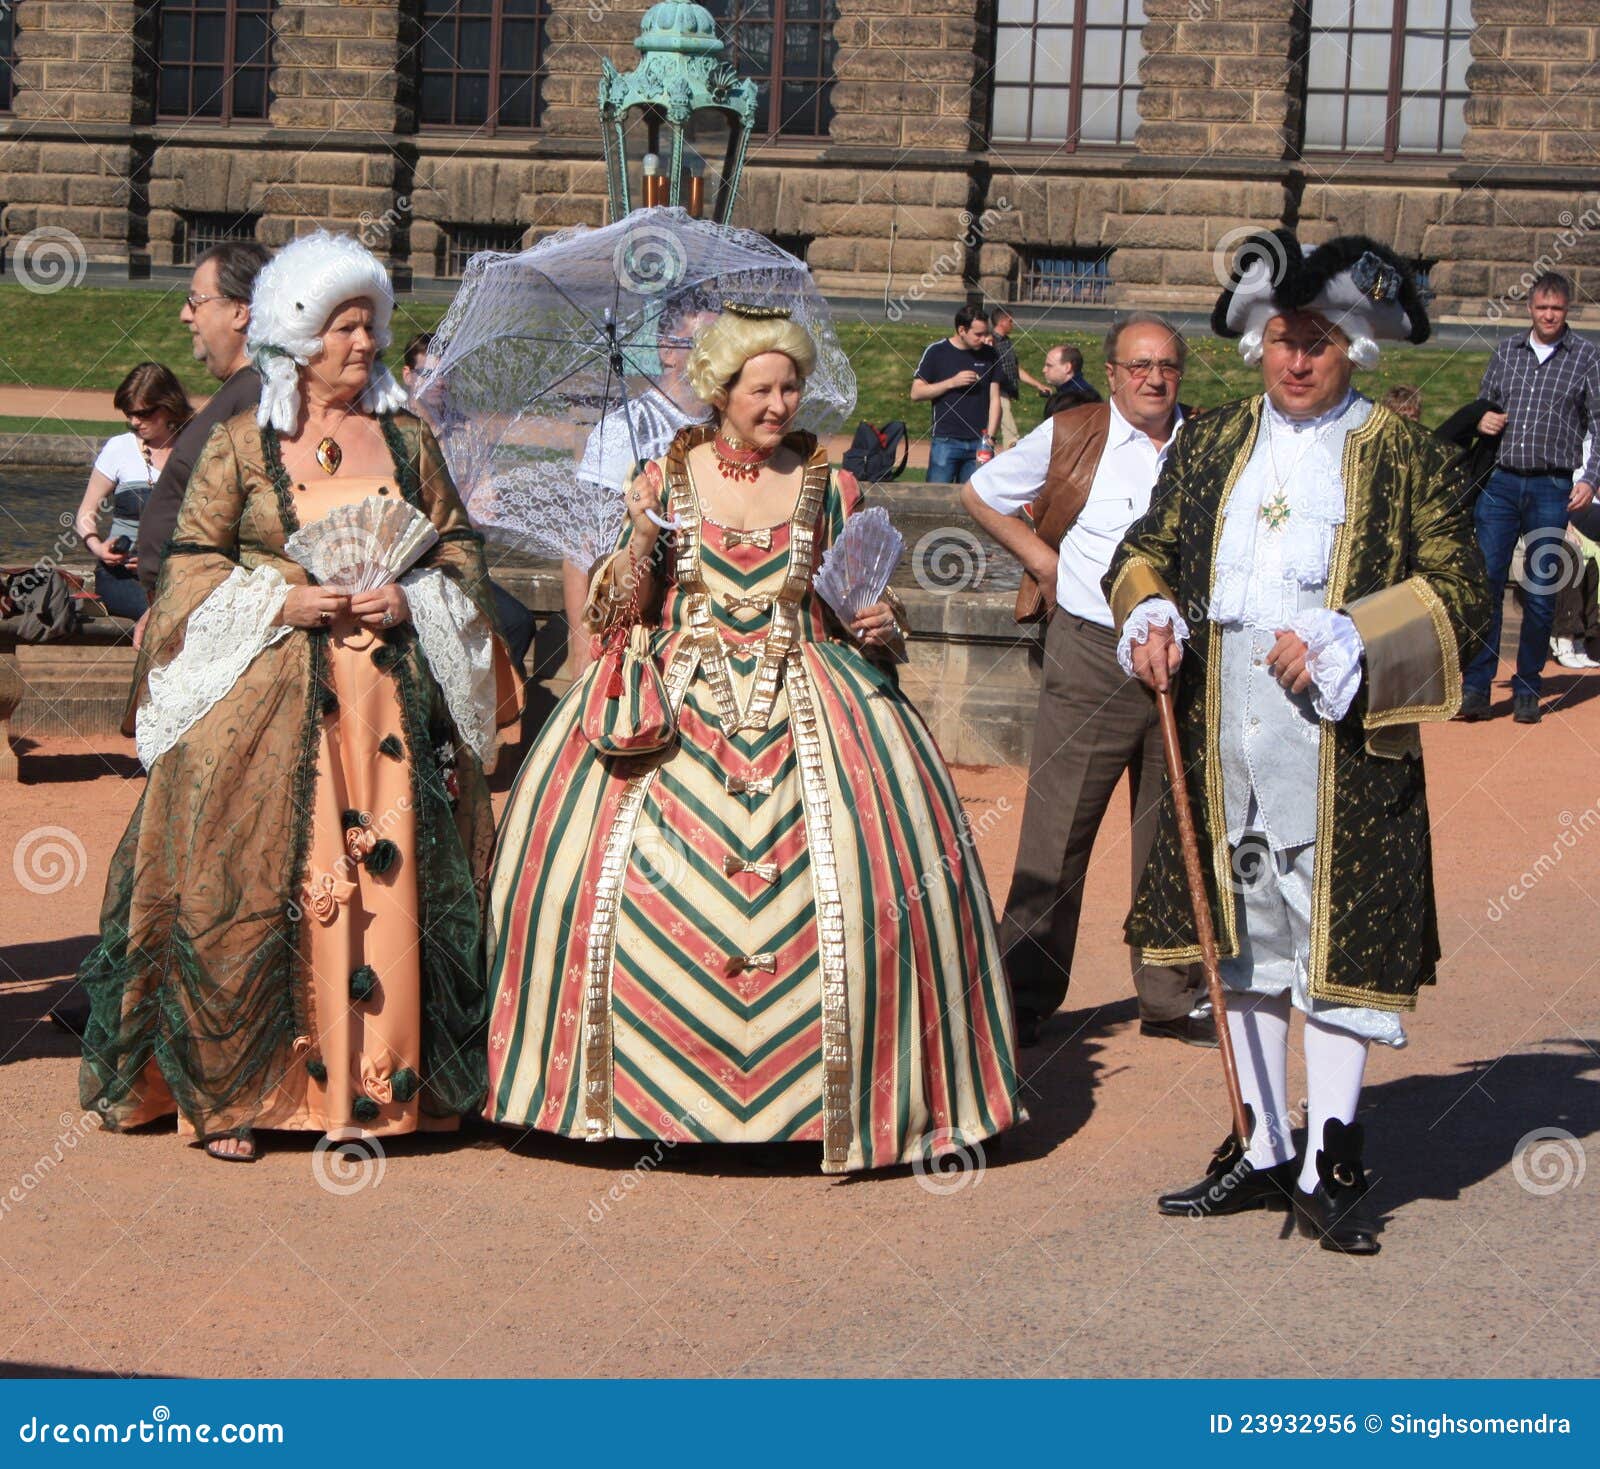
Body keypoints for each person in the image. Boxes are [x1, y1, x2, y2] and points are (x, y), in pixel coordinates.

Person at [484, 304, 1023, 1172]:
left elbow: (858, 603)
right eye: (760, 389)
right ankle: (623, 1095)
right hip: (675, 715)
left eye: (790, 387)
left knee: (864, 882)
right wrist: (642, 532)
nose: (779, 405)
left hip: (814, 698)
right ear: (720, 390)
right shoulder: (664, 476)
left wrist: (880, 619)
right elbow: (616, 612)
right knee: (607, 886)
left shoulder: (830, 485)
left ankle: (851, 1098)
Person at [76, 232, 521, 1162]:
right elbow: (190, 562)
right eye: (344, 326)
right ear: (298, 333)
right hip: (273, 697)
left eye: (371, 325)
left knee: (390, 883)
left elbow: (458, 548)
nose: (364, 343)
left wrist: (412, 595)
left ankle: (378, 1088)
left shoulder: (407, 437)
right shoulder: (244, 441)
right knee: (251, 878)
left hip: (388, 701)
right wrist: (282, 599)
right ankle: (244, 1090)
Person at [1111, 231, 1488, 1253]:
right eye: (1283, 339)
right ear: (1259, 343)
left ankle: (1331, 1159)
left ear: (1353, 346)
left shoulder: (1404, 456)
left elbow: (1462, 593)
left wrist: (1348, 633)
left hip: (1339, 747)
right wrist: (1150, 614)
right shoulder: (1211, 444)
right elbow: (1146, 547)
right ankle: (1262, 1143)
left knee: (1333, 945)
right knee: (1241, 939)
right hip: (1219, 734)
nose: (1297, 358)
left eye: (1317, 341)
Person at [961, 313, 1209, 1050]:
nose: (1154, 379)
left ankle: (1171, 995)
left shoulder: (1207, 438)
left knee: (1173, 830)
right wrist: (1044, 561)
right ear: (1112, 374)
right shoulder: (1076, 432)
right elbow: (980, 493)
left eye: (1166, 365)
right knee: (1058, 829)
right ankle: (1023, 996)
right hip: (1092, 652)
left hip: (1184, 658)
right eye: (1139, 366)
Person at [1461, 271, 1600, 724]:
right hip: (1501, 484)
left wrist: (1590, 479)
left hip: (1552, 487)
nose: (1549, 316)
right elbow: (1482, 405)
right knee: (1487, 584)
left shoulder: (1586, 357)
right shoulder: (1506, 352)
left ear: (1567, 310)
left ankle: (1527, 687)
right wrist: (1481, 420)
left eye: (1556, 309)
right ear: (1530, 308)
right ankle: (1476, 687)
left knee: (1540, 592)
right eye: (1542, 308)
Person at [567, 298, 717, 671]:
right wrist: (581, 645)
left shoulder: (730, 428)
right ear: (667, 350)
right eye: (704, 342)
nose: (718, 354)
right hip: (636, 626)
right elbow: (582, 544)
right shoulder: (626, 430)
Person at [136, 240, 271, 604]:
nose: (185, 315)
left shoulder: (256, 394)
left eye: (196, 301)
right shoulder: (243, 389)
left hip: (204, 608)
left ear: (240, 311)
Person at [402, 330, 536, 673]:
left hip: (457, 565)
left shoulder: (468, 432)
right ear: (408, 375)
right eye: (429, 373)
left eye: (445, 373)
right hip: (405, 571)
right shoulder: (393, 430)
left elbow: (487, 504)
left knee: (518, 623)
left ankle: (493, 701)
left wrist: (460, 516)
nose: (439, 382)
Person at [74, 363, 191, 620]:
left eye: (143, 413)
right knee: (162, 616)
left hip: (180, 575)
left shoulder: (195, 448)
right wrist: (97, 546)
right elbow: (85, 513)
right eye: (129, 414)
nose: (135, 422)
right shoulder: (119, 448)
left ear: (169, 406)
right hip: (122, 578)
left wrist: (163, 560)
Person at [912, 306, 1001, 483]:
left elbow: (995, 399)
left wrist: (990, 438)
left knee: (974, 497)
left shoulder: (991, 354)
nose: (984, 339)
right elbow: (916, 393)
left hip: (979, 442)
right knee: (936, 496)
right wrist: (951, 382)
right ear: (961, 330)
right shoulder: (937, 352)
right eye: (978, 334)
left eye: (985, 333)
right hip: (946, 440)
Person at [991, 308, 1047, 449]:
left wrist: (1038, 385)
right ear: (1002, 322)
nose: (1013, 324)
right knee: (1008, 426)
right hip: (995, 390)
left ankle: (992, 451)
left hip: (1005, 391)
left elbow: (1015, 369)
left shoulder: (1007, 342)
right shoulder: (990, 342)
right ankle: (1013, 451)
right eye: (1010, 321)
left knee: (996, 424)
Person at [1040, 345, 1102, 417]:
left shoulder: (1072, 401)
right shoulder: (1088, 392)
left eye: (1049, 365)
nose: (1044, 370)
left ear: (1067, 368)